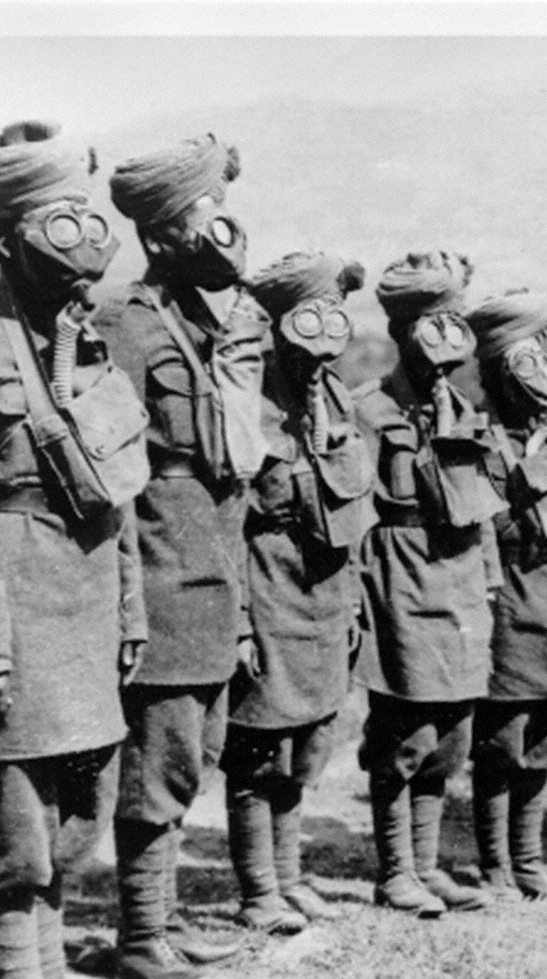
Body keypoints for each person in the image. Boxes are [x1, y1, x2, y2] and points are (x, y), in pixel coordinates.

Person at [0, 120, 155, 979]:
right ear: (10, 237)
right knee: (13, 831)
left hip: (86, 600)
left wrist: (130, 608)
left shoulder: (88, 339)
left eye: (85, 223)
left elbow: (119, 489)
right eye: (56, 228)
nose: (79, 251)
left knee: (77, 814)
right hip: (14, 611)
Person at [95, 135, 271, 957]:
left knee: (195, 752)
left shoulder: (213, 324)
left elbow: (233, 468)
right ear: (164, 233)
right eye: (209, 217)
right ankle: (139, 938)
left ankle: (158, 924)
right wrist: (128, 596)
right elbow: (118, 471)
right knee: (158, 760)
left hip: (212, 561)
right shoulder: (126, 323)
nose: (226, 235)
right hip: (163, 564)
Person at [221, 251, 374, 928]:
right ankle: (258, 891)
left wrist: (354, 599)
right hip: (269, 584)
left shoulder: (335, 397)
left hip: (325, 590)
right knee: (258, 748)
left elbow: (349, 507)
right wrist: (242, 621)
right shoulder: (247, 400)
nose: (320, 347)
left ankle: (288, 877)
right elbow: (230, 520)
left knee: (308, 739)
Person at [353, 250, 504, 917]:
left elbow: (483, 505)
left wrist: (490, 580)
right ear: (399, 333)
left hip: (461, 572)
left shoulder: (466, 412)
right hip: (402, 572)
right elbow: (353, 511)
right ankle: (395, 872)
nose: (441, 342)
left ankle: (427, 864)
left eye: (452, 325)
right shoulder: (368, 412)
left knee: (453, 731)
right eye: (427, 325)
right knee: (405, 728)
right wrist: (359, 599)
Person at [464, 289, 547, 903]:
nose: (538, 376)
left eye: (542, 362)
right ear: (498, 373)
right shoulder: (480, 448)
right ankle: (496, 866)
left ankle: (529, 861)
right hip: (511, 622)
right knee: (501, 751)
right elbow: (489, 535)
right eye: (524, 364)